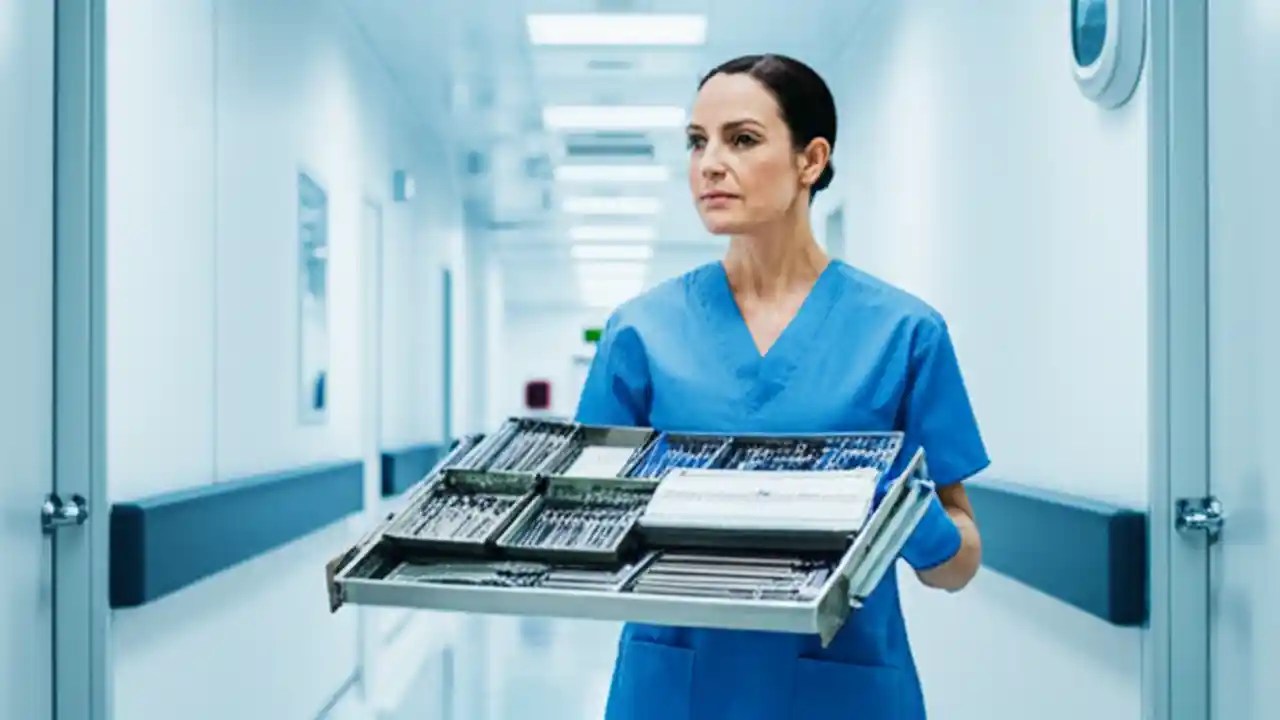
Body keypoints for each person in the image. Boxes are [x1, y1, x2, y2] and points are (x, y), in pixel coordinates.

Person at [574, 53, 990, 720]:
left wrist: (912, 520)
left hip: (842, 687)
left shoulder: (904, 333)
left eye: (741, 139)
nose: (709, 163)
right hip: (674, 687)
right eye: (696, 141)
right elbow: (583, 529)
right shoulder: (640, 334)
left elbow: (958, 565)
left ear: (811, 159)